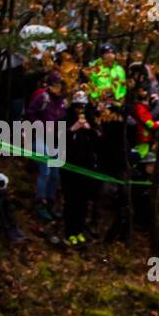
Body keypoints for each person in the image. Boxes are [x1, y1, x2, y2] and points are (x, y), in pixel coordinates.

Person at [25, 71, 67, 221]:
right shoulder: (42, 98)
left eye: (60, 85)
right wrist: (42, 126)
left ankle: (50, 202)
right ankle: (39, 203)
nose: (58, 88)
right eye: (55, 85)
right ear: (49, 85)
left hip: (56, 140)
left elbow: (65, 117)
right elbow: (30, 113)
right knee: (46, 171)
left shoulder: (63, 102)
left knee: (56, 174)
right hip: (40, 138)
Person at [61, 91, 100, 245]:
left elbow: (98, 141)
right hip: (70, 168)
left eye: (83, 106)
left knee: (83, 202)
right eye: (78, 106)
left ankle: (80, 230)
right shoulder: (66, 120)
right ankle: (70, 231)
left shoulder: (91, 121)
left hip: (87, 167)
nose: (81, 109)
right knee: (71, 201)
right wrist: (73, 129)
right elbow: (57, 138)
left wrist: (89, 128)